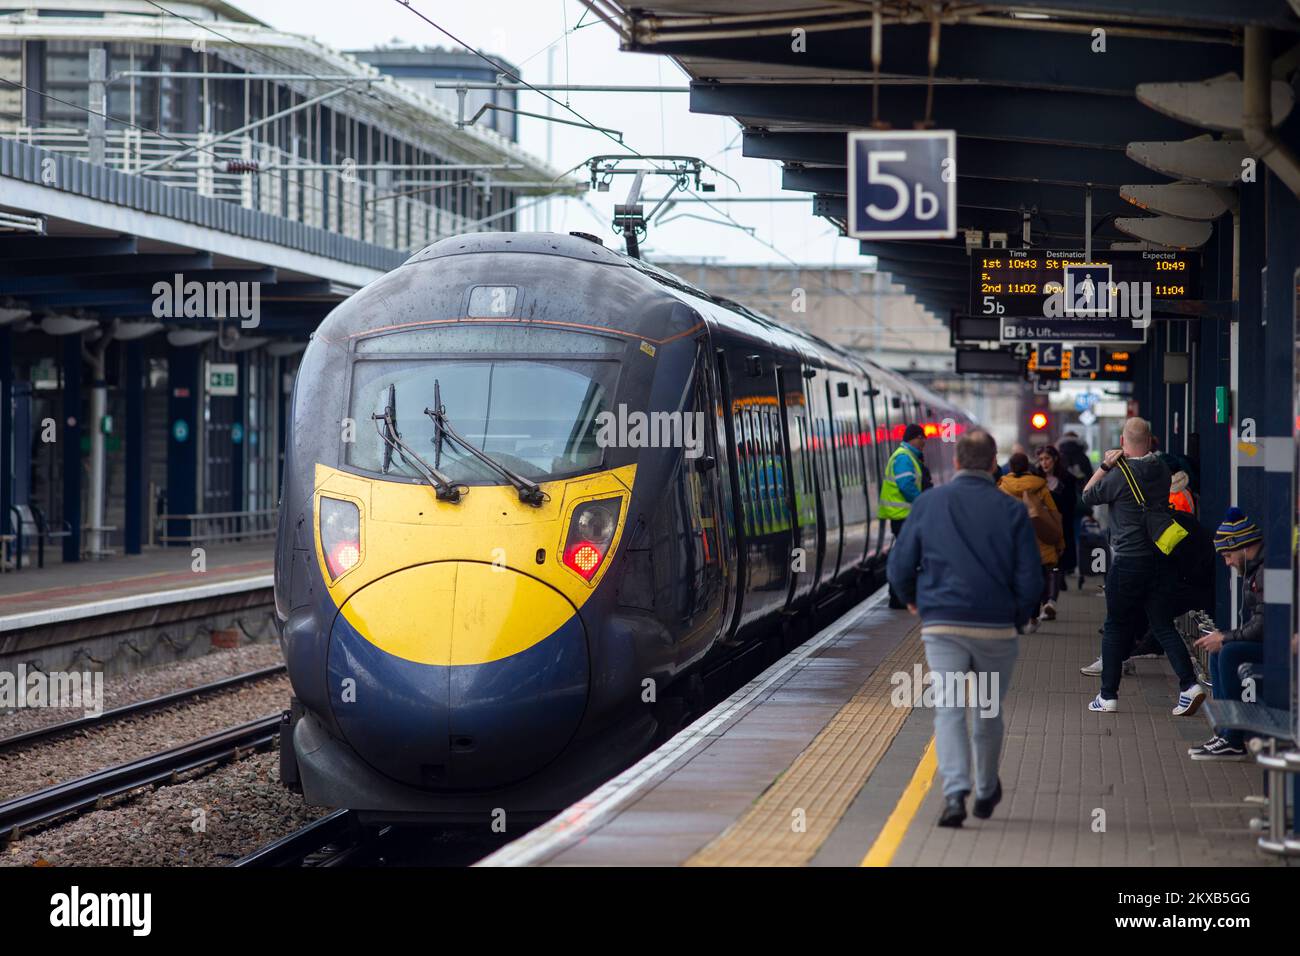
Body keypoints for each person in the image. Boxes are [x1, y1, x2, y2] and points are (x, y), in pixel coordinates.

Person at [887, 429, 1042, 828]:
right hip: (995, 628)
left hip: (943, 626)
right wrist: (1019, 616)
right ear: (994, 465)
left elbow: (900, 563)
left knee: (949, 709)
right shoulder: (1011, 510)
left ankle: (955, 793)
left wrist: (912, 599)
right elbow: (1030, 578)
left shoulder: (928, 503)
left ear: (955, 462)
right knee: (988, 710)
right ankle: (987, 789)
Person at [1081, 417, 1205, 716]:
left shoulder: (1119, 473)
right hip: (1158, 558)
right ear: (1150, 441)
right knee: (1162, 624)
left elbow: (1086, 495)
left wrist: (1106, 465)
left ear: (1122, 443)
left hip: (1128, 561)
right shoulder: (1161, 469)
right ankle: (1189, 685)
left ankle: (1107, 696)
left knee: (1115, 627)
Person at [1188, 508, 1265, 760]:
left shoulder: (1267, 571)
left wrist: (1226, 637)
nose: (1227, 562)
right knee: (1219, 649)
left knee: (1229, 651)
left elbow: (1266, 624)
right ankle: (1224, 732)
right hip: (1273, 642)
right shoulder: (1255, 569)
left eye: (1228, 555)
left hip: (1283, 646)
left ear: (1243, 547)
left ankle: (1233, 737)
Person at [998, 452, 1063, 630]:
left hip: (1010, 541)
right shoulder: (1040, 487)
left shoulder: (1001, 487)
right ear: (1028, 467)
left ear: (1010, 467)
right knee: (1036, 580)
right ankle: (1032, 618)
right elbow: (1054, 515)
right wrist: (1060, 543)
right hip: (1038, 542)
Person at [880, 423, 926, 608]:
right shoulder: (903, 458)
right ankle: (898, 597)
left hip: (903, 515)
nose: (924, 444)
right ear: (916, 438)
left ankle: (898, 596)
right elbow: (906, 485)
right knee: (905, 557)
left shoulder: (905, 456)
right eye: (923, 439)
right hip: (902, 515)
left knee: (905, 555)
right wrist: (923, 502)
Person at [1037, 444, 1078, 608]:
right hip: (1040, 530)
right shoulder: (1035, 479)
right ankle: (1044, 600)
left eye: (1047, 459)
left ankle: (1051, 602)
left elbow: (1071, 505)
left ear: (1054, 459)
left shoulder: (1067, 479)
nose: (1044, 463)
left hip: (1061, 529)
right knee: (1042, 566)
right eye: (1041, 459)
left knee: (1057, 565)